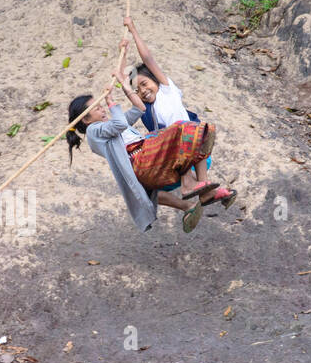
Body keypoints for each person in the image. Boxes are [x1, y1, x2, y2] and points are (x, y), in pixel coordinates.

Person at [66, 40, 233, 233]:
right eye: (97, 107)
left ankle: (200, 194)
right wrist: (112, 102)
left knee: (188, 137)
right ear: (86, 119)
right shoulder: (94, 131)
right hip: (141, 159)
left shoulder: (109, 126)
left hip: (146, 157)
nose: (102, 108)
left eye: (101, 104)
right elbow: (120, 123)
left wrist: (126, 83)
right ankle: (193, 187)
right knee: (182, 129)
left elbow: (139, 108)